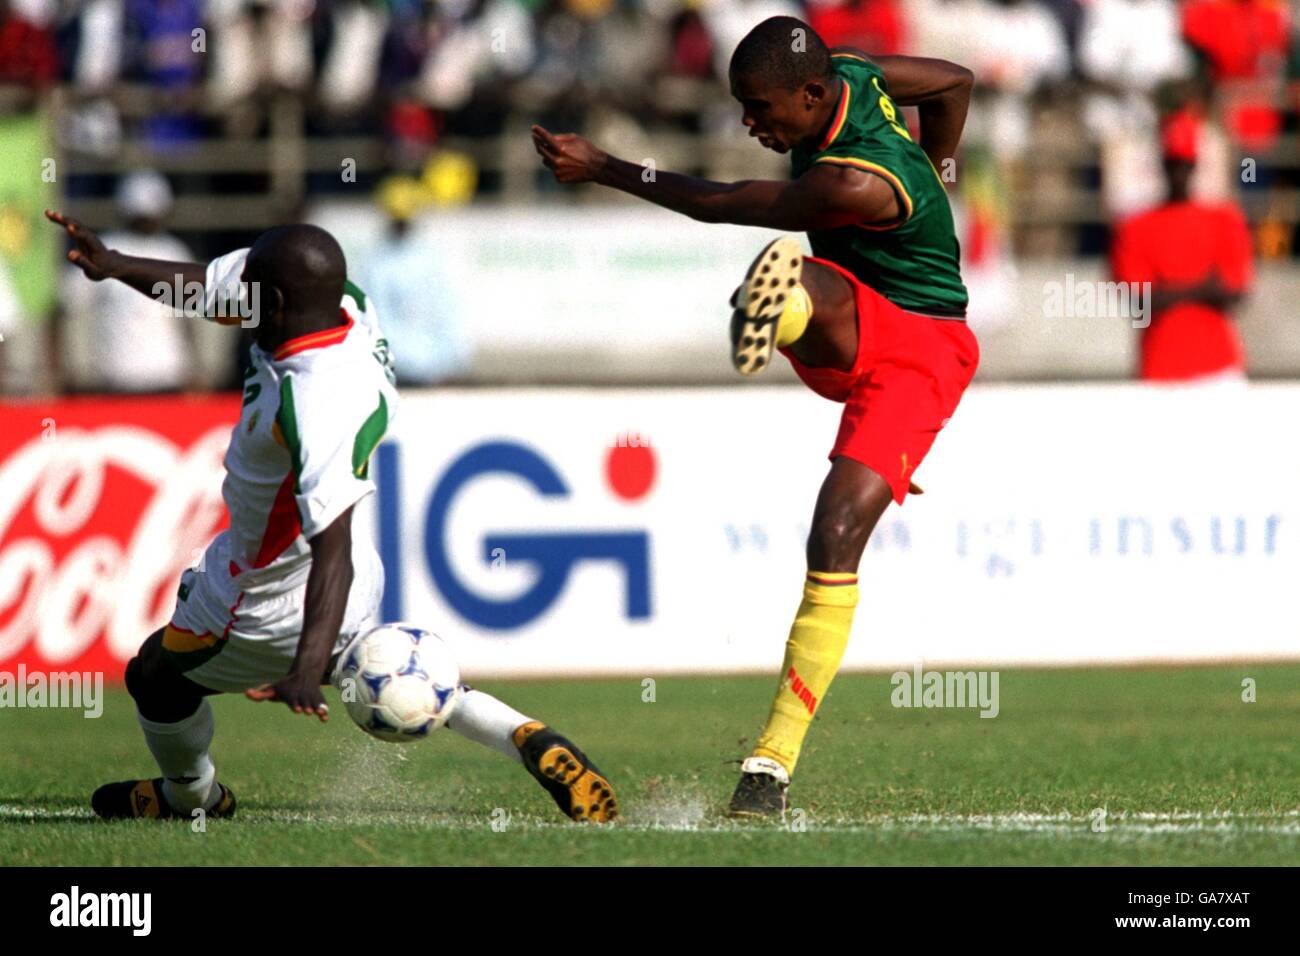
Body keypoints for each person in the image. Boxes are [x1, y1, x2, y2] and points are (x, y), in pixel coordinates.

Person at [533, 16, 978, 816]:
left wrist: (603, 166)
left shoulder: (853, 180)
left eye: (760, 109)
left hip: (923, 351)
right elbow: (953, 82)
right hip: (855, 311)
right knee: (820, 277)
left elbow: (720, 202)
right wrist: (945, 168)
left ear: (813, 96)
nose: (749, 122)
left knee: (834, 533)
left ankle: (768, 768)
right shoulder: (849, 71)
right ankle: (785, 303)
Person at [47, 210, 618, 823]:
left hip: (264, 593)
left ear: (282, 301)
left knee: (156, 678)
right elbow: (207, 291)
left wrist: (303, 669)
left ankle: (190, 796)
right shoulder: (343, 303)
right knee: (381, 674)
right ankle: (524, 735)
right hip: (347, 578)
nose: (237, 300)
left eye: (252, 291)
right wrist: (116, 267)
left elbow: (332, 546)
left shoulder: (315, 400)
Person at [1110, 111, 1253, 383]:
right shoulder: (1135, 228)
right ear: (1162, 165)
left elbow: (1235, 292)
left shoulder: (1225, 220)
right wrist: (1203, 289)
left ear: (1195, 165)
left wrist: (1167, 291)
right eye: (1173, 164)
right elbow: (1140, 300)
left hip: (1218, 369)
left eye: (1184, 164)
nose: (1179, 172)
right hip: (1160, 370)